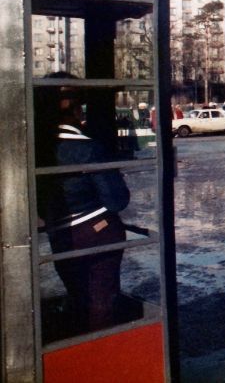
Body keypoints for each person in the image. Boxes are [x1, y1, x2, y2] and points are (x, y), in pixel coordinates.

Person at [35, 72, 130, 332]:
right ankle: (102, 355)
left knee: (78, 297)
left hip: (60, 234)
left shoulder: (37, 147)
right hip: (96, 234)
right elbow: (117, 200)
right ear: (77, 109)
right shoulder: (88, 147)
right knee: (101, 303)